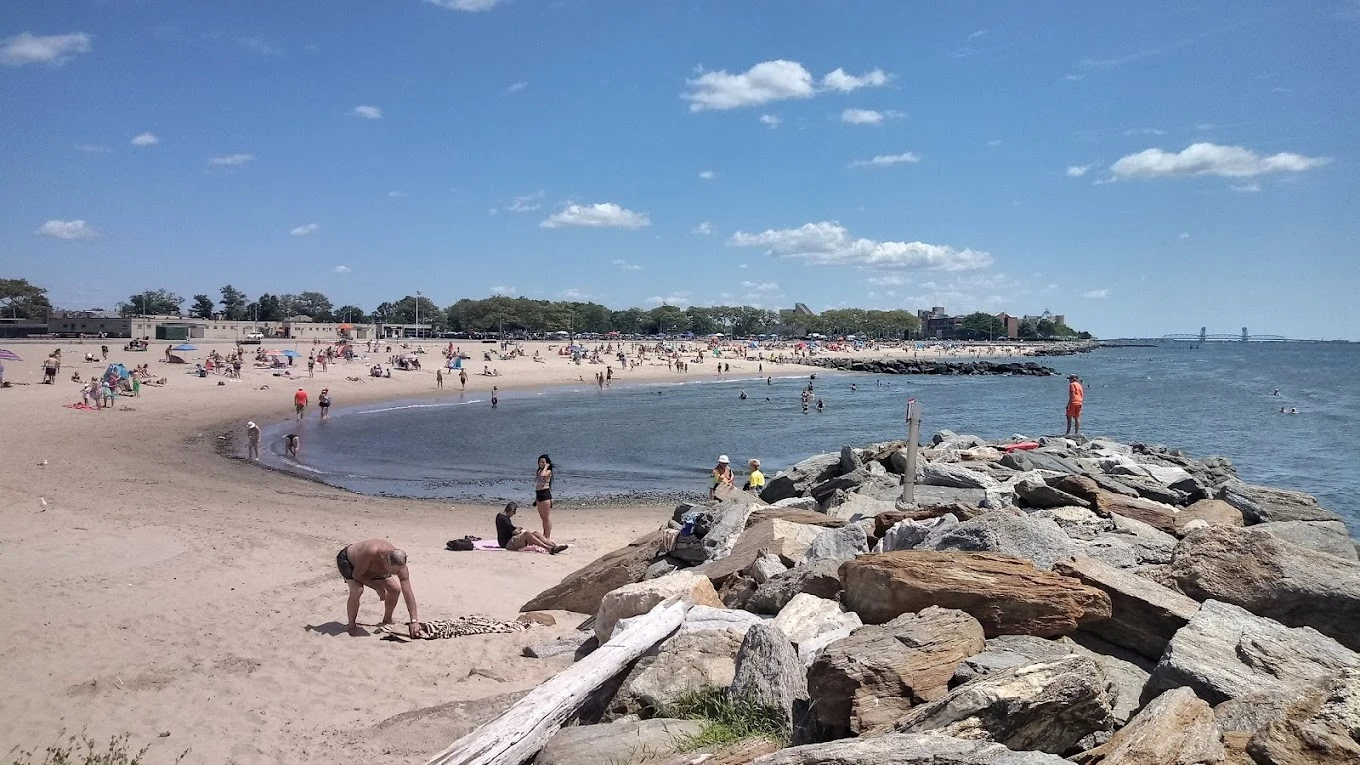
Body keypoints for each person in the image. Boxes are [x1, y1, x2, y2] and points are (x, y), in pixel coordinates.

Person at [335, 540, 423, 638]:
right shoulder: (371, 551)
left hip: (373, 568)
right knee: (357, 590)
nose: (397, 572)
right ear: (387, 562)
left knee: (395, 589)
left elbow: (408, 592)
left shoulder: (400, 565)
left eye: (399, 570)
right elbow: (357, 575)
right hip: (349, 561)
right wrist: (377, 588)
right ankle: (351, 625)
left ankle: (387, 620)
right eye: (395, 571)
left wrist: (414, 620)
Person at [497, 502, 566, 553]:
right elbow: (514, 532)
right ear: (511, 510)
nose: (514, 514)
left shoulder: (501, 516)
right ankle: (548, 547)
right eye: (514, 512)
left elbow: (508, 529)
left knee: (536, 533)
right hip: (507, 543)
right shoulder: (504, 519)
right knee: (527, 534)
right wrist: (519, 530)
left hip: (510, 540)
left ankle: (554, 546)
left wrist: (517, 529)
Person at [534, 454, 555, 538]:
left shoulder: (548, 472)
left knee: (546, 517)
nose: (541, 464)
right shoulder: (539, 471)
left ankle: (547, 536)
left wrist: (546, 466)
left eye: (543, 462)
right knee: (542, 517)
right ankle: (544, 534)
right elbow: (538, 484)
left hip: (545, 494)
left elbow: (543, 475)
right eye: (540, 462)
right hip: (539, 494)